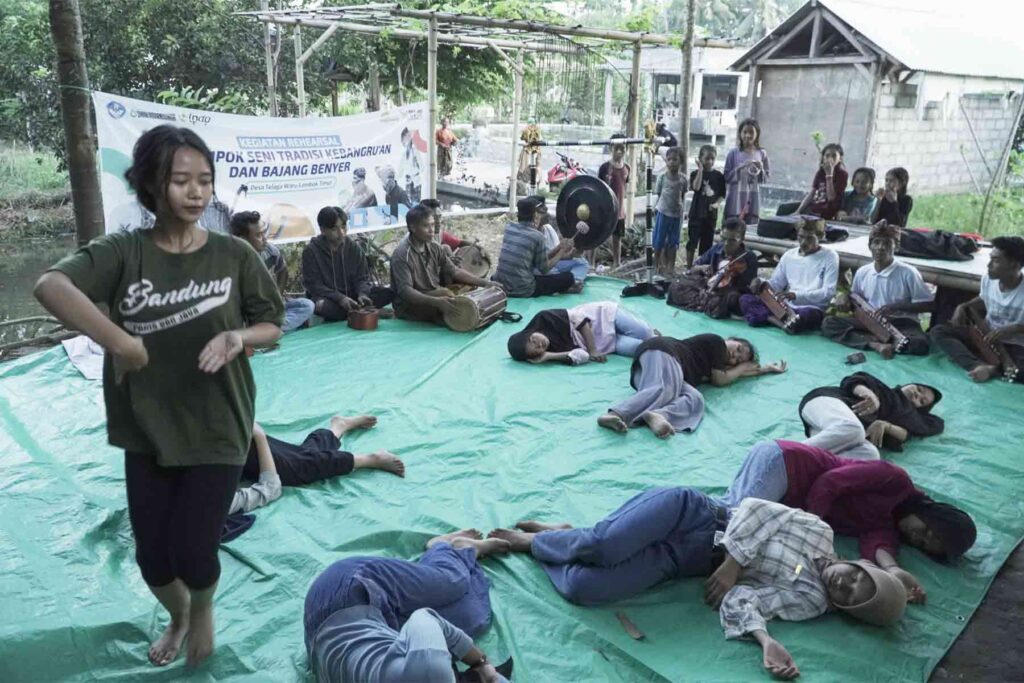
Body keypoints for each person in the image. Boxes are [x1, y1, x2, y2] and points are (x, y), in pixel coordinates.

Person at [34, 125, 285, 667]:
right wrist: (121, 341)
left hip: (220, 421)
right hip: (146, 427)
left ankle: (203, 609)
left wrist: (237, 336)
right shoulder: (125, 252)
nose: (196, 193)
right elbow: (51, 286)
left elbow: (272, 324)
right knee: (153, 559)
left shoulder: (235, 255)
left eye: (205, 180)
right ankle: (178, 615)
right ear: (151, 184)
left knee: (195, 552)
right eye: (180, 181)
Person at [488, 496, 905, 679]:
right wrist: (735, 562)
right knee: (604, 545)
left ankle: (564, 537)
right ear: (861, 565)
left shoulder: (811, 601)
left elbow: (744, 597)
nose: (846, 583)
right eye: (858, 577)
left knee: (583, 588)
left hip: (682, 561)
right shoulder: (820, 532)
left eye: (852, 596)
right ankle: (537, 542)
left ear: (846, 609)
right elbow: (759, 508)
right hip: (693, 515)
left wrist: (764, 640)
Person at [718, 440, 978, 605]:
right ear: (933, 514)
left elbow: (877, 545)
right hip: (785, 463)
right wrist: (810, 525)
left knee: (728, 527)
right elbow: (829, 482)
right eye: (925, 531)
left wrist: (893, 571)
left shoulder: (890, 523)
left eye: (922, 543)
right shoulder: (895, 479)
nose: (915, 536)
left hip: (784, 500)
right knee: (729, 520)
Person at [304, 530, 512, 683]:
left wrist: (480, 663)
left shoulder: (430, 670)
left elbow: (425, 617)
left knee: (453, 585)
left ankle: (444, 548)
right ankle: (457, 551)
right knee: (472, 614)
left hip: (343, 591)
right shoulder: (428, 671)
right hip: (330, 640)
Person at [596, 333, 786, 438]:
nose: (734, 356)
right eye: (738, 349)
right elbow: (721, 380)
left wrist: (765, 369)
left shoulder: (716, 366)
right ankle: (615, 414)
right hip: (663, 352)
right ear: (731, 338)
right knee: (663, 389)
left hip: (659, 375)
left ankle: (657, 415)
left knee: (695, 399)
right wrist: (744, 365)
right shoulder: (716, 342)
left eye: (737, 359)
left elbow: (732, 375)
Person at [230, 416, 406, 515]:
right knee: (296, 462)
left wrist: (258, 435)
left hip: (222, 445)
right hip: (225, 452)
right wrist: (259, 436)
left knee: (296, 465)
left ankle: (364, 456)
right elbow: (269, 489)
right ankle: (339, 431)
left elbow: (269, 488)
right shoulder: (209, 505)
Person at [822, 222, 934, 357]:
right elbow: (856, 299)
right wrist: (844, 297)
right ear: (870, 246)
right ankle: (876, 344)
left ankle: (875, 339)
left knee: (920, 344)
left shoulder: (908, 272)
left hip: (900, 323)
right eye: (876, 243)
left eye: (887, 243)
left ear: (896, 247)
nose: (880, 248)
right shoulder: (863, 272)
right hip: (870, 321)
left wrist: (897, 307)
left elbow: (929, 304)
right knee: (828, 323)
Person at [931, 235, 1024, 382]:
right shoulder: (989, 280)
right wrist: (963, 306)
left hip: (1016, 347)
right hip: (985, 337)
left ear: (1015, 265)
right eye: (990, 258)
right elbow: (984, 299)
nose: (989, 265)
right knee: (939, 331)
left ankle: (995, 366)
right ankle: (980, 365)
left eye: (996, 260)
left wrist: (1015, 328)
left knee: (1020, 370)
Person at [390, 204, 501, 324]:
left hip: (433, 293)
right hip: (409, 305)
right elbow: (406, 292)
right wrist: (436, 302)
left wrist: (486, 283)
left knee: (468, 290)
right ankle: (442, 316)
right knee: (446, 295)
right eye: (426, 226)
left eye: (432, 224)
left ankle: (443, 315)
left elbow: (454, 271)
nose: (432, 230)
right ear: (413, 227)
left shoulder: (434, 246)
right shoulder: (402, 254)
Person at [798, 371, 943, 460]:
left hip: (831, 430)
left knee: (870, 455)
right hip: (825, 402)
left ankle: (801, 467)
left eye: (921, 400)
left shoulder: (909, 417)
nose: (917, 394)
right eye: (919, 388)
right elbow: (853, 381)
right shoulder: (884, 390)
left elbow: (913, 431)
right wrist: (870, 395)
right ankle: (785, 453)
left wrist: (886, 426)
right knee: (853, 429)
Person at [738, 218, 838, 333]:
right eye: (801, 237)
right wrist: (760, 281)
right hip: (785, 305)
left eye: (809, 238)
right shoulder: (789, 255)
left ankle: (777, 319)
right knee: (745, 299)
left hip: (811, 307)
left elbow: (828, 293)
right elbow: (776, 284)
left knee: (806, 315)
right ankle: (782, 323)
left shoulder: (829, 256)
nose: (804, 242)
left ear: (820, 237)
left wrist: (796, 295)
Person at [302, 206, 394, 322]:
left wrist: (362, 294)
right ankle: (365, 312)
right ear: (323, 230)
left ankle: (357, 311)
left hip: (353, 296)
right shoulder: (311, 251)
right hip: (330, 298)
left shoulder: (353, 247)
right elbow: (315, 286)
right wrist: (340, 298)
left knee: (388, 293)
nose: (341, 233)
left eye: (344, 227)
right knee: (320, 305)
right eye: (335, 229)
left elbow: (362, 278)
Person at [230, 211, 315, 334]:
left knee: (307, 305)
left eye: (264, 233)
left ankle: (272, 330)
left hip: (270, 308)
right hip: (248, 313)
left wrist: (278, 295)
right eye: (259, 235)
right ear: (243, 239)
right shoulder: (230, 262)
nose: (264, 238)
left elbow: (282, 270)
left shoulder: (270, 250)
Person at [506, 301, 655, 365]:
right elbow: (582, 356)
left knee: (646, 332)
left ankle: (653, 332)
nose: (539, 344)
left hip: (604, 316)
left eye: (533, 339)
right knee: (644, 348)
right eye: (536, 350)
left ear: (529, 332)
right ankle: (662, 342)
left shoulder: (544, 318)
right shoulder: (553, 350)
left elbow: (580, 319)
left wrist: (592, 349)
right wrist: (548, 356)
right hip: (608, 343)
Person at [673, 217, 760, 318]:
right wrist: (702, 268)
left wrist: (753, 282)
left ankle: (704, 303)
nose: (726, 244)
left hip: (728, 293)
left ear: (742, 238)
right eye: (724, 239)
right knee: (676, 286)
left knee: (732, 299)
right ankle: (705, 303)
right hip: (708, 287)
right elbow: (694, 267)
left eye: (732, 241)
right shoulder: (717, 248)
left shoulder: (749, 257)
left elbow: (748, 287)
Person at [493, 196, 578, 298]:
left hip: (501, 285)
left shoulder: (509, 228)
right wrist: (562, 250)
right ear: (535, 216)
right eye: (539, 213)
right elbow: (544, 269)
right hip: (523, 289)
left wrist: (559, 247)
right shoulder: (537, 236)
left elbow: (535, 261)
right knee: (568, 278)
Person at [687, 144, 726, 267]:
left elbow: (722, 195)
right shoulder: (695, 173)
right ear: (700, 158)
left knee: (707, 243)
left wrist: (716, 204)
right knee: (692, 242)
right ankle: (688, 268)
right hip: (696, 213)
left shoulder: (719, 176)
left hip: (710, 216)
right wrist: (700, 170)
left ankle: (701, 268)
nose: (710, 161)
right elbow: (696, 187)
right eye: (707, 158)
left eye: (712, 158)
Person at [723, 118, 770, 223]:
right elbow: (726, 177)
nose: (748, 135)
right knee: (732, 228)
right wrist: (740, 167)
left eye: (751, 132)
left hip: (753, 198)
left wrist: (760, 168)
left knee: (749, 228)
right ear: (740, 133)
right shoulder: (733, 154)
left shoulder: (762, 153)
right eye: (745, 132)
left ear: (757, 134)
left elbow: (765, 178)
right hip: (736, 199)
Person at [598, 135, 630, 269]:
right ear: (611, 148)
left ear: (626, 149)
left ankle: (617, 263)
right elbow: (598, 187)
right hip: (605, 208)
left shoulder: (627, 168)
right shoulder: (605, 167)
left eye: (622, 149)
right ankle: (591, 263)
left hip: (619, 210)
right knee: (598, 235)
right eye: (616, 148)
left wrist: (624, 208)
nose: (619, 152)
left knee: (618, 237)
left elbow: (624, 188)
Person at [652, 147, 685, 275]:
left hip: (676, 215)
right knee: (659, 240)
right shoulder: (662, 177)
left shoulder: (683, 179)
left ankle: (670, 266)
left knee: (673, 242)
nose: (671, 162)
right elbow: (659, 194)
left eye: (675, 159)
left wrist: (682, 212)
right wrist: (657, 208)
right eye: (669, 159)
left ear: (681, 162)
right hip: (663, 213)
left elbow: (682, 196)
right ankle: (656, 265)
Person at [796, 143, 848, 220]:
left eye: (834, 156)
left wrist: (829, 175)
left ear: (840, 158)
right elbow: (811, 194)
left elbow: (831, 198)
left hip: (826, 214)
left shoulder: (842, 174)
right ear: (823, 158)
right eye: (827, 156)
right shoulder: (820, 173)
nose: (830, 158)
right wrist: (798, 211)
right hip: (813, 210)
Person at [399, 127, 424, 204]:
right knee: (408, 205)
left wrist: (414, 172)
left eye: (406, 138)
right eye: (403, 139)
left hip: (416, 182)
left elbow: (422, 167)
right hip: (408, 182)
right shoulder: (403, 154)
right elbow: (400, 170)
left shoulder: (415, 151)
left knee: (416, 204)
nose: (404, 141)